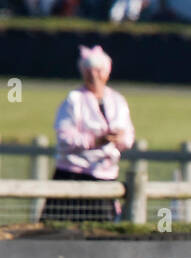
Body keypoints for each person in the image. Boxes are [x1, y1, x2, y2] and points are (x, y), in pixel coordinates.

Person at [41, 45, 135, 224]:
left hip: (105, 177)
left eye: (98, 70)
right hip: (72, 176)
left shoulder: (118, 101)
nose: (93, 76)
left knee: (102, 232)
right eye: (88, 71)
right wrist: (94, 141)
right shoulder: (73, 100)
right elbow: (64, 138)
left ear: (107, 72)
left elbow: (128, 137)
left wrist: (118, 139)